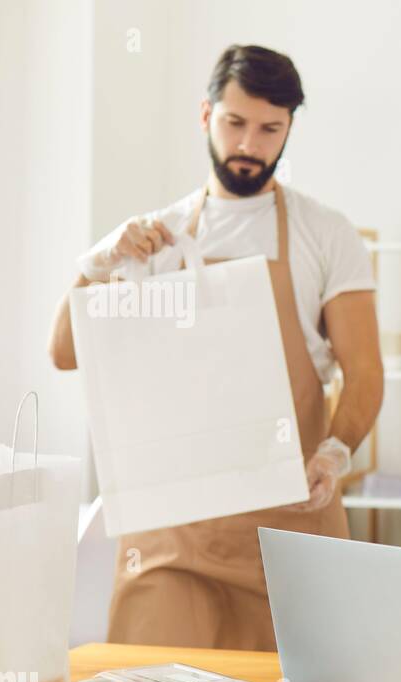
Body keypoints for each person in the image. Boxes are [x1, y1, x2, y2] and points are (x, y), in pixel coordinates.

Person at [48, 45, 383, 651]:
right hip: (172, 534)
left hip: (290, 525)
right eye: (235, 123)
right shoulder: (154, 236)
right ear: (206, 116)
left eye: (269, 129)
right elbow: (65, 351)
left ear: (288, 130)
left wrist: (334, 453)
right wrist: (99, 264)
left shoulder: (326, 234)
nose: (250, 144)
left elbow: (363, 373)